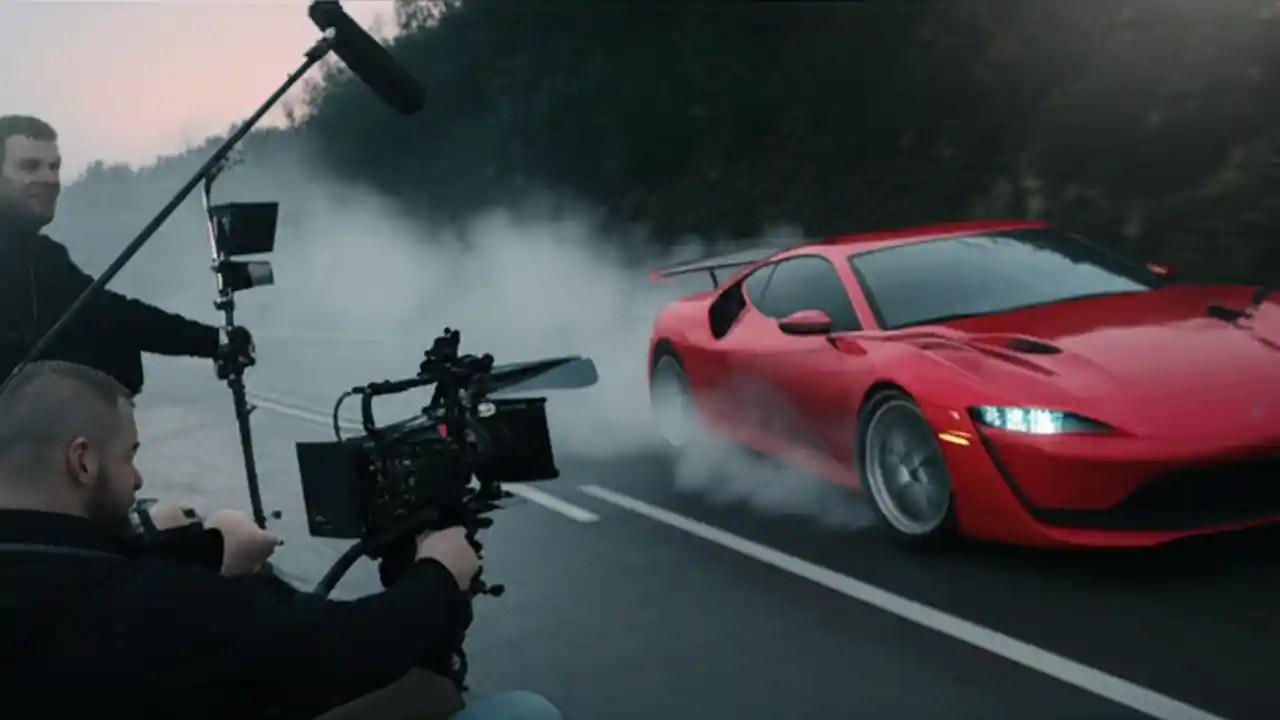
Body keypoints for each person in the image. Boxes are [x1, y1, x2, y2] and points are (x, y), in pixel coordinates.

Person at [0, 360, 563, 720]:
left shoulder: (51, 577)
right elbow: (347, 648)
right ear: (82, 460)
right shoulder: (140, 607)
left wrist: (202, 548)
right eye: (129, 456)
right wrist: (439, 572)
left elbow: (74, 573)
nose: (139, 480)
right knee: (521, 711)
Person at [0, 114, 254, 395]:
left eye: (54, 167)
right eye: (30, 167)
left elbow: (112, 315)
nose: (48, 179)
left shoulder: (43, 256)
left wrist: (214, 340)